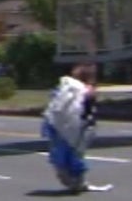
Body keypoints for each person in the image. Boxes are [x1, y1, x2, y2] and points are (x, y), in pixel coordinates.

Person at [41, 64, 98, 194]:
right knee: (76, 153)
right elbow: (89, 109)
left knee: (60, 152)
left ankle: (67, 177)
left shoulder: (64, 87)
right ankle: (77, 181)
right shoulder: (86, 90)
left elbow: (53, 104)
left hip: (57, 125)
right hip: (77, 126)